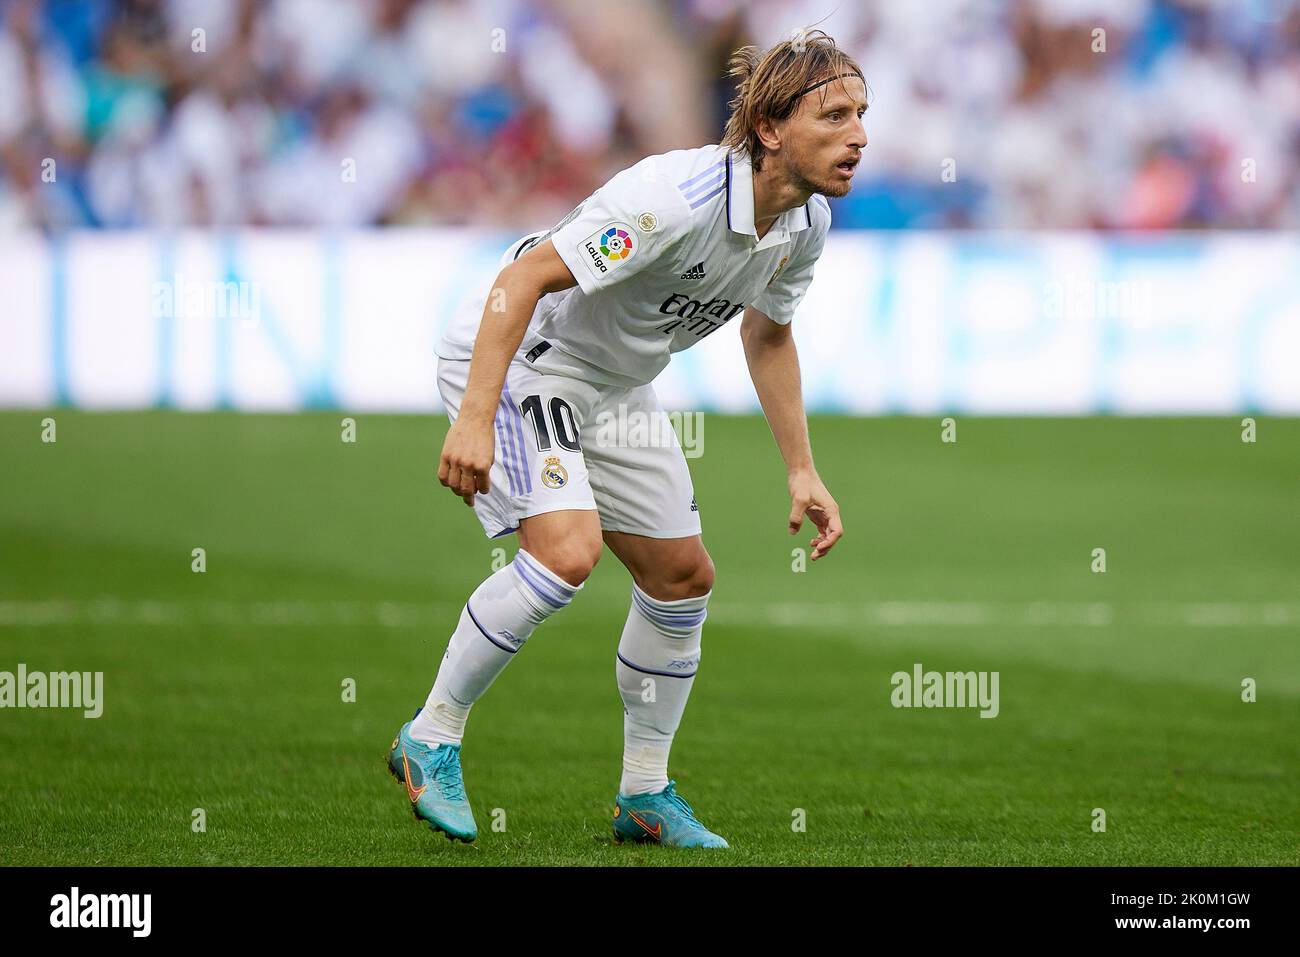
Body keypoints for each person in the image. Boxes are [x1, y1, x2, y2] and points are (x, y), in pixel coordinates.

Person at [389, 29, 864, 848]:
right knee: (566, 553)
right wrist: (475, 415)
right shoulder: (671, 198)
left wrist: (802, 469)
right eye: (835, 116)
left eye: (862, 114)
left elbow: (769, 333)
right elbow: (524, 277)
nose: (859, 135)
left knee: (682, 577)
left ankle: (644, 793)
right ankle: (431, 734)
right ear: (772, 129)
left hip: (613, 385)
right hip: (525, 355)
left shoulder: (805, 224)